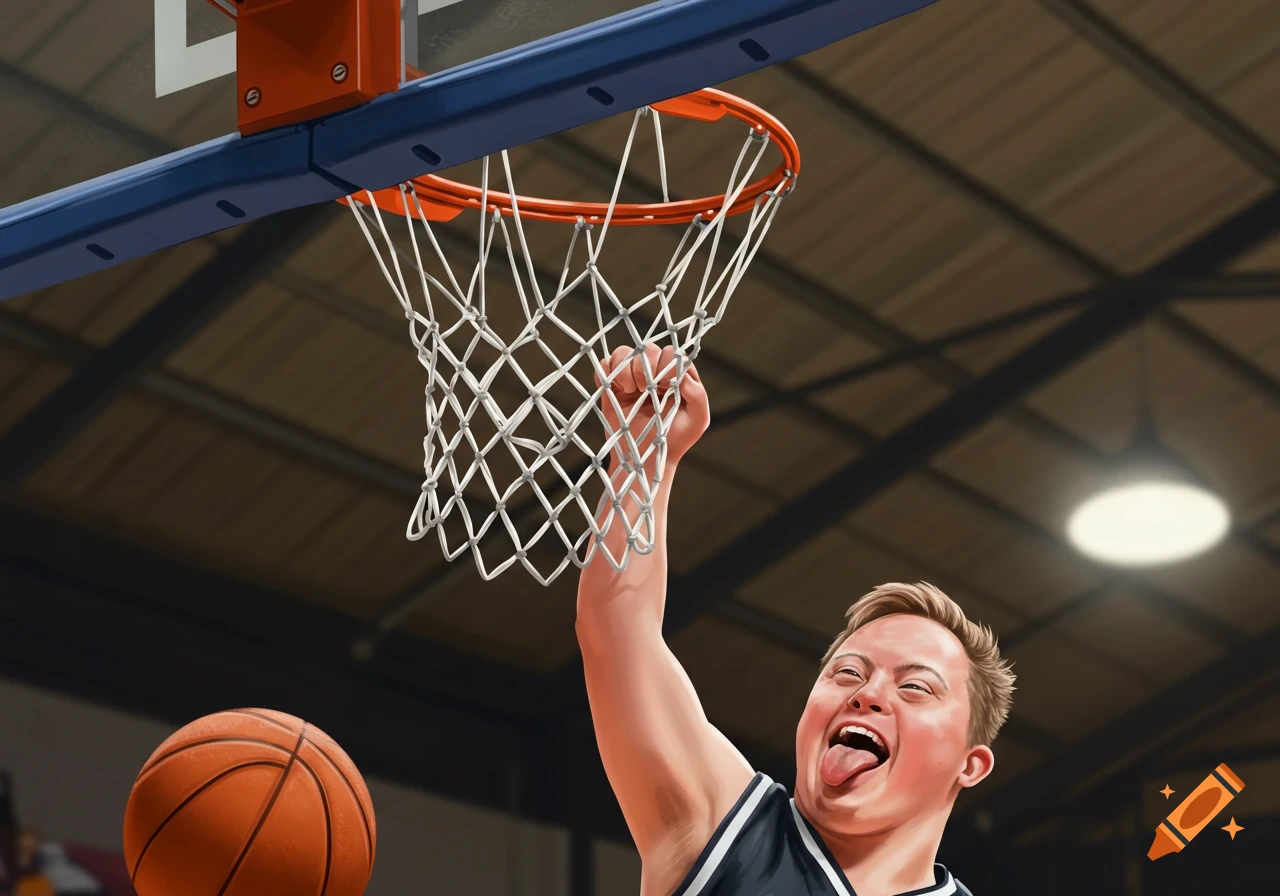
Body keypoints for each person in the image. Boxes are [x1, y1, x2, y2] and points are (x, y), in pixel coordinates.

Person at [577, 346, 1016, 896]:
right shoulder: (724, 829)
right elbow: (618, 632)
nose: (867, 695)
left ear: (970, 765)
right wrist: (643, 460)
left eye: (915, 687)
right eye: (847, 673)